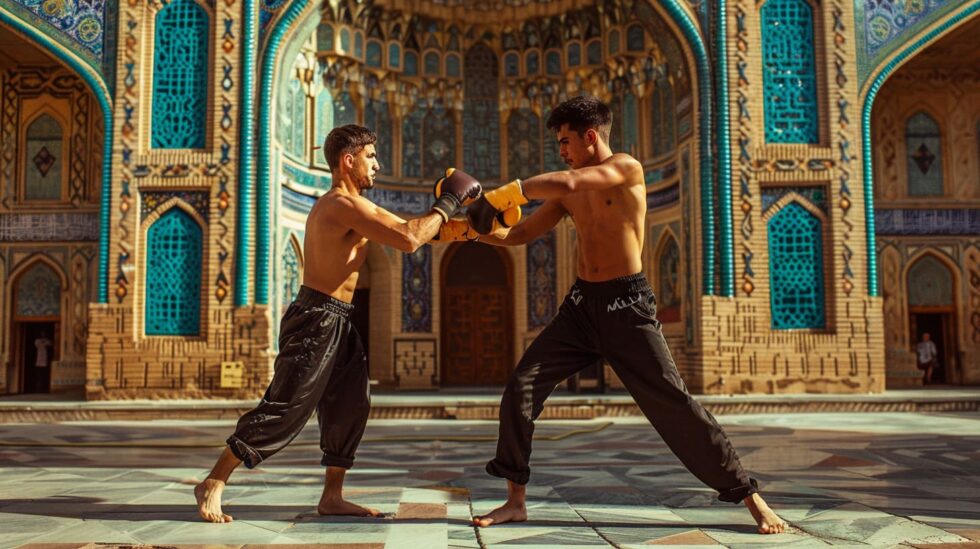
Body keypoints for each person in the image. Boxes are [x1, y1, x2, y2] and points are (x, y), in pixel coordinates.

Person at [464, 96, 786, 534]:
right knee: (521, 388)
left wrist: (506, 193)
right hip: (581, 308)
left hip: (627, 307)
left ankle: (750, 496)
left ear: (590, 136)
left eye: (565, 142)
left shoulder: (625, 169)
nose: (562, 151)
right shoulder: (568, 188)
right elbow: (521, 233)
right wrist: (476, 232)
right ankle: (515, 501)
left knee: (674, 405)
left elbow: (569, 183)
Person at [194, 125, 482, 523]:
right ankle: (214, 481)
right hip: (316, 318)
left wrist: (476, 226)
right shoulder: (339, 205)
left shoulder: (359, 206)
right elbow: (408, 238)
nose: (378, 165)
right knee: (286, 408)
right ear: (348, 160)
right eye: (371, 157)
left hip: (340, 321)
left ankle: (332, 495)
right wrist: (450, 200)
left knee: (351, 405)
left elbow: (421, 231)